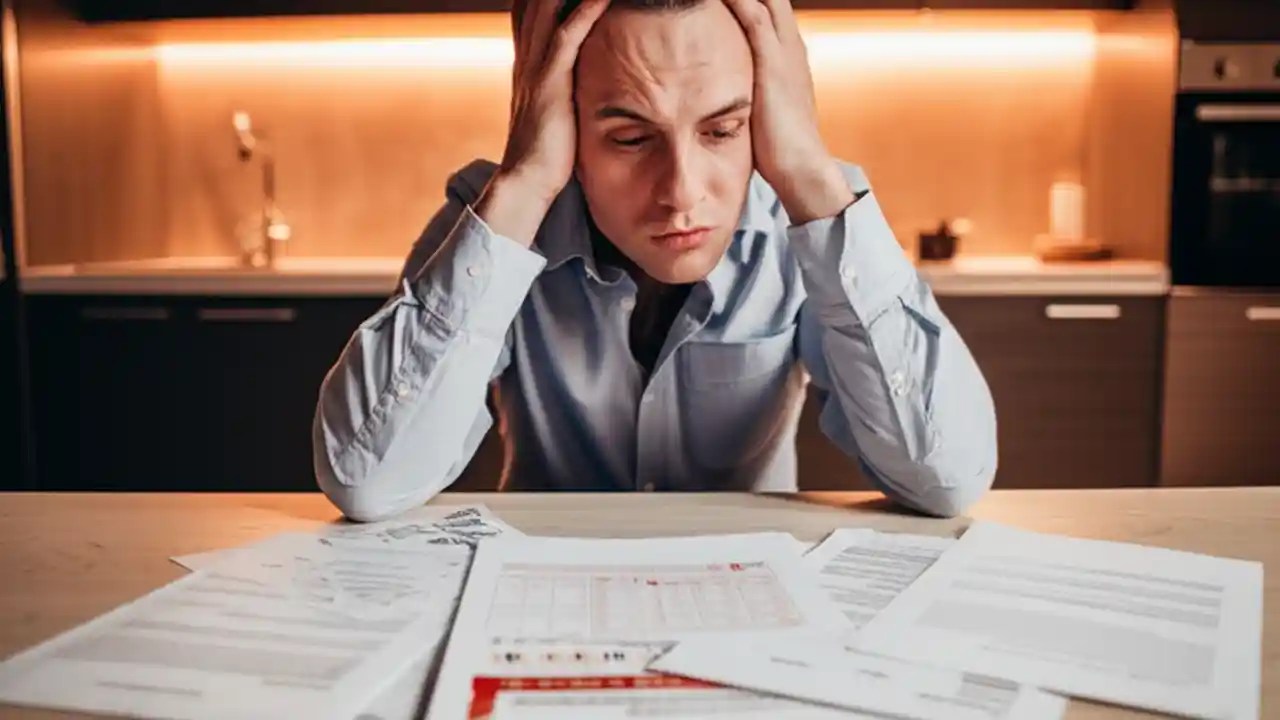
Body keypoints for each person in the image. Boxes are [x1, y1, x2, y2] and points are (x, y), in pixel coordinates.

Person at [312, 0, 997, 522]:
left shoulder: (806, 224)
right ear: (562, 120)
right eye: (631, 138)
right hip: (539, 609)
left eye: (724, 130)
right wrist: (522, 186)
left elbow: (949, 478)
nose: (682, 194)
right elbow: (367, 480)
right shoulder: (499, 223)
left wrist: (813, 177)